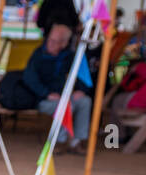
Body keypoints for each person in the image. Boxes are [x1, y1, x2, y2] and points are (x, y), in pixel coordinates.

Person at [20, 22, 92, 150]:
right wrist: (46, 93)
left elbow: (81, 72)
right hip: (43, 99)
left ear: (64, 44)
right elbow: (29, 79)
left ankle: (77, 141)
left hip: (63, 96)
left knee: (84, 101)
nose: (50, 44)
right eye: (50, 40)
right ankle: (59, 142)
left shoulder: (68, 56)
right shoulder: (39, 55)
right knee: (65, 106)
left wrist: (81, 90)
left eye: (55, 42)